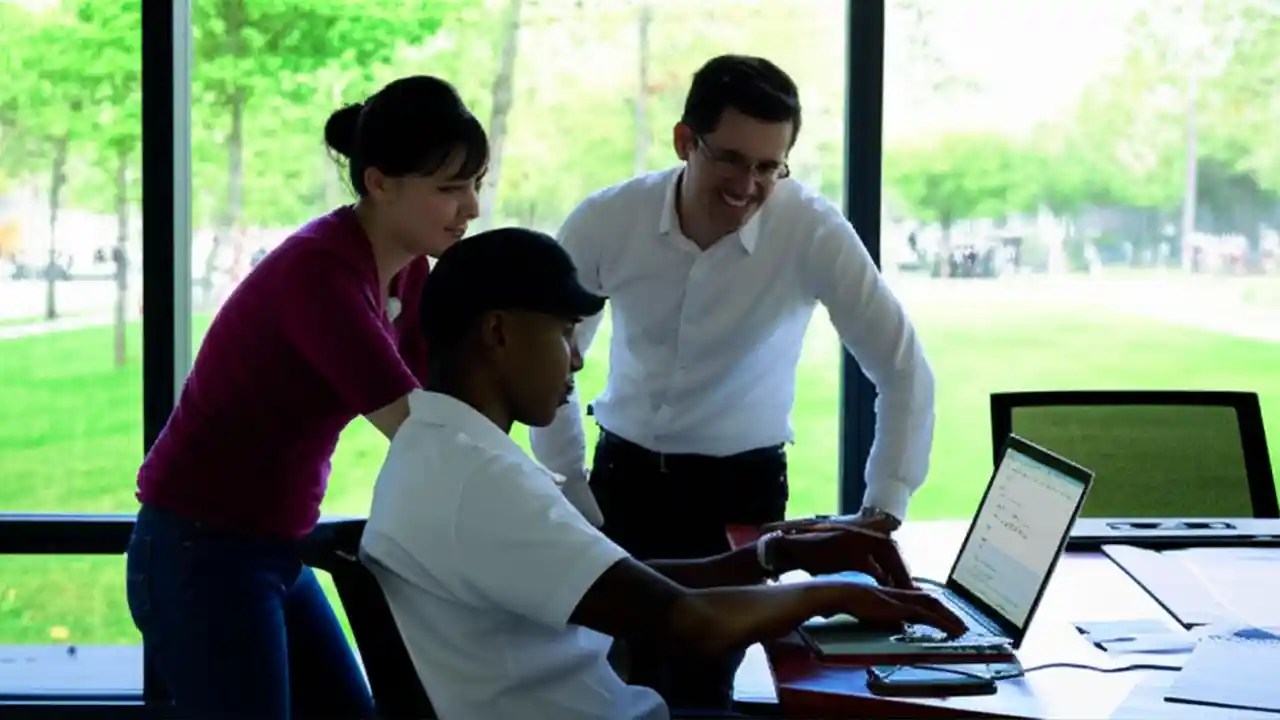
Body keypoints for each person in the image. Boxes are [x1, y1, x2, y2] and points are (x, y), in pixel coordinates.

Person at [359, 227, 964, 720]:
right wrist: (841, 595)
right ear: (498, 332)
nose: (575, 358)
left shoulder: (441, 450)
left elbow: (626, 585)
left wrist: (774, 556)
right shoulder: (476, 478)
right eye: (565, 333)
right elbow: (686, 624)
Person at [527, 54, 937, 708]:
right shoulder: (609, 220)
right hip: (620, 481)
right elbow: (545, 361)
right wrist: (572, 488)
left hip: (741, 494)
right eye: (732, 160)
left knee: (700, 689)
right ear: (685, 141)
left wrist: (881, 511)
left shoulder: (812, 230)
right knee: (596, 681)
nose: (748, 184)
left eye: (769, 166)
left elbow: (903, 368)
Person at [124, 75, 488, 720]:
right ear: (380, 182)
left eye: (476, 185)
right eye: (451, 189)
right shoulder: (319, 274)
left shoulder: (407, 266)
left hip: (273, 547)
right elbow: (417, 428)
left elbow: (449, 406)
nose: (472, 208)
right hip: (198, 552)